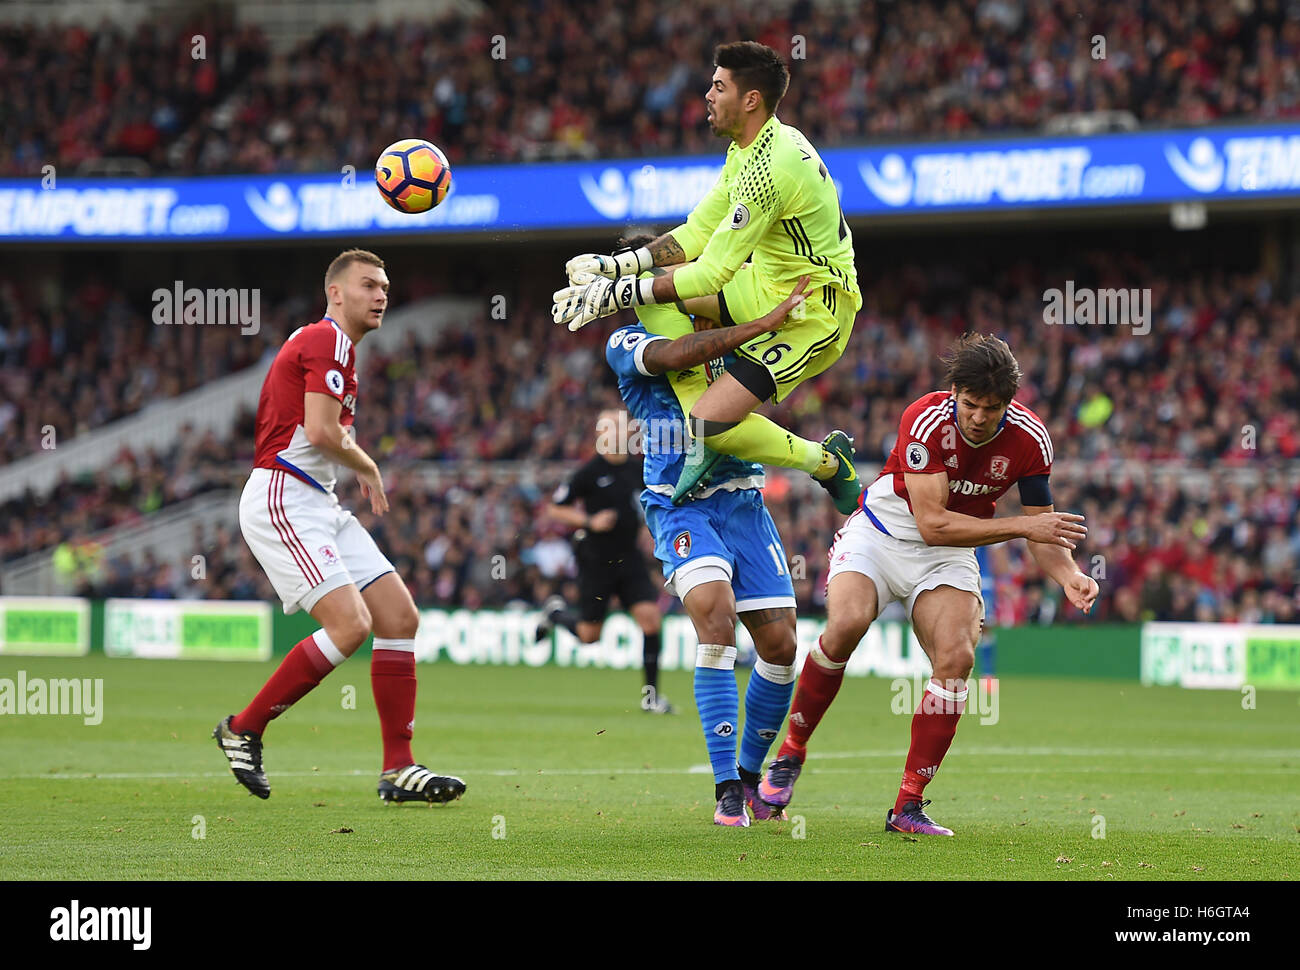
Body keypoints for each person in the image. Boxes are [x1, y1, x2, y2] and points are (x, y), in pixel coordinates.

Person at [759, 334, 1099, 835]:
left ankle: (908, 805)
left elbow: (1042, 530)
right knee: (847, 624)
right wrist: (1024, 527)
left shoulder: (1030, 440)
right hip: (883, 532)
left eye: (992, 408)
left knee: (957, 658)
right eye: (970, 404)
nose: (979, 417)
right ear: (954, 391)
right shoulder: (925, 419)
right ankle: (790, 753)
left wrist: (1069, 574)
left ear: (1009, 402)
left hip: (948, 555)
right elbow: (933, 523)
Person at [553, 41, 862, 514]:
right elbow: (697, 231)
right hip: (767, 285)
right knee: (656, 295)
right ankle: (708, 427)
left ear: (751, 99)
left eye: (719, 86)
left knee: (706, 420)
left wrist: (613, 294)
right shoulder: (750, 149)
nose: (707, 95)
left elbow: (712, 272)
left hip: (811, 308)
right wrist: (617, 266)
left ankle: (826, 462)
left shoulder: (771, 168)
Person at [213, 248, 465, 805]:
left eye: (385, 287)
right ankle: (244, 727)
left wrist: (350, 468)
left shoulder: (342, 350)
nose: (381, 295)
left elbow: (325, 437)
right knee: (350, 626)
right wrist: (369, 467)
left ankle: (398, 768)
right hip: (284, 493)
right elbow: (322, 432)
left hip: (317, 499)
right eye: (369, 285)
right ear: (336, 292)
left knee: (399, 615)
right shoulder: (326, 339)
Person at [605, 267, 813, 826]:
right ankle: (724, 788)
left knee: (781, 647)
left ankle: (749, 778)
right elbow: (676, 356)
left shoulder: (731, 316)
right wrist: (762, 324)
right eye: (667, 279)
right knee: (715, 619)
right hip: (679, 503)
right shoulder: (627, 341)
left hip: (744, 502)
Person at [537, 408, 673, 714]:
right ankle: (557, 613)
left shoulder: (639, 469)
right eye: (612, 427)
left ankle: (651, 697)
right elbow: (556, 509)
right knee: (589, 636)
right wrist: (590, 521)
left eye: (623, 427)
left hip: (629, 558)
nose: (620, 432)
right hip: (596, 559)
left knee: (651, 620)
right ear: (601, 435)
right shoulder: (588, 473)